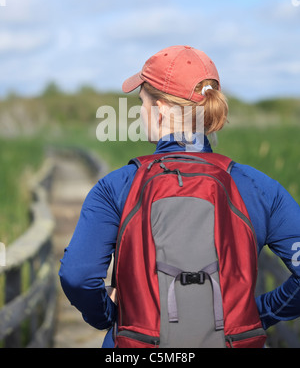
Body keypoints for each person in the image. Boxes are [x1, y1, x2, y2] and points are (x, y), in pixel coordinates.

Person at [59, 45, 300, 348]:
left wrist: (111, 315)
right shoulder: (259, 188)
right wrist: (259, 313)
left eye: (141, 103)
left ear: (159, 111)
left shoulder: (116, 187)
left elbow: (78, 276)